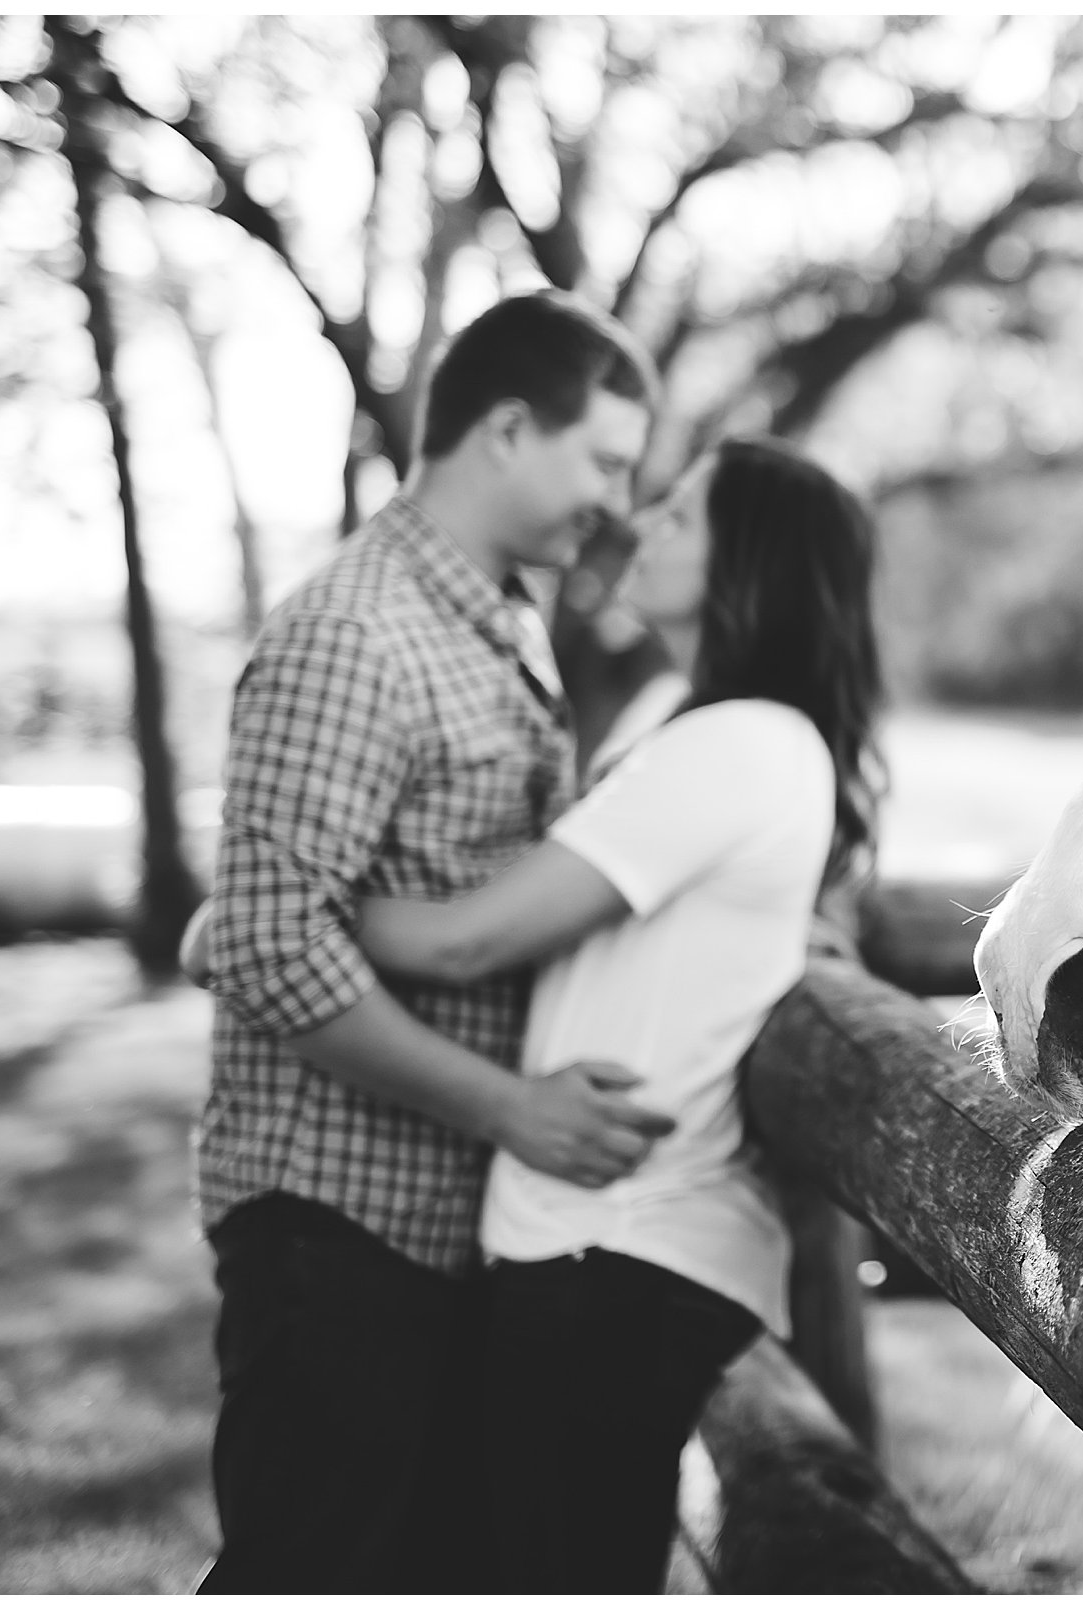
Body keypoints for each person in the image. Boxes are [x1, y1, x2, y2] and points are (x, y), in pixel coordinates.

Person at [188, 290, 676, 1592]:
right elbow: (268, 945)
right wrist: (511, 1105)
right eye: (605, 462)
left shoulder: (501, 614)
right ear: (509, 429)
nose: (617, 503)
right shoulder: (358, 630)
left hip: (433, 1224)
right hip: (332, 1226)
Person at [349, 436, 887, 1591]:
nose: (643, 524)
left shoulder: (738, 742)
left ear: (749, 565)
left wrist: (279, 907)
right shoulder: (700, 725)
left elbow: (471, 935)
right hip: (595, 1245)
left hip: (618, 1252)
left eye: (683, 516)